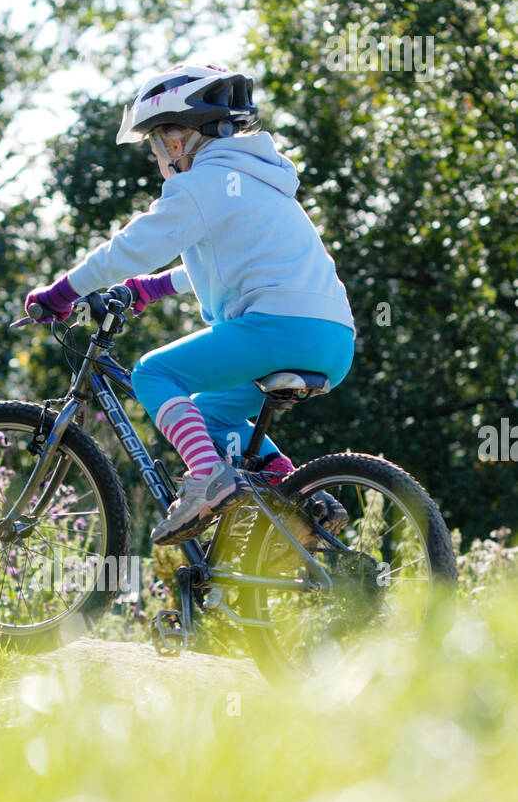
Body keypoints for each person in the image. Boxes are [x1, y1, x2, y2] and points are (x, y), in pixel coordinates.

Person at [24, 63, 356, 545]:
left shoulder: (204, 182)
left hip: (276, 329)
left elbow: (134, 245)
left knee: (154, 374)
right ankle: (299, 493)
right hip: (332, 338)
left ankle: (206, 480)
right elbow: (226, 265)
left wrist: (62, 292)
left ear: (177, 140)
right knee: (211, 417)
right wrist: (150, 288)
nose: (159, 155)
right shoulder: (259, 180)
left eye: (157, 142)